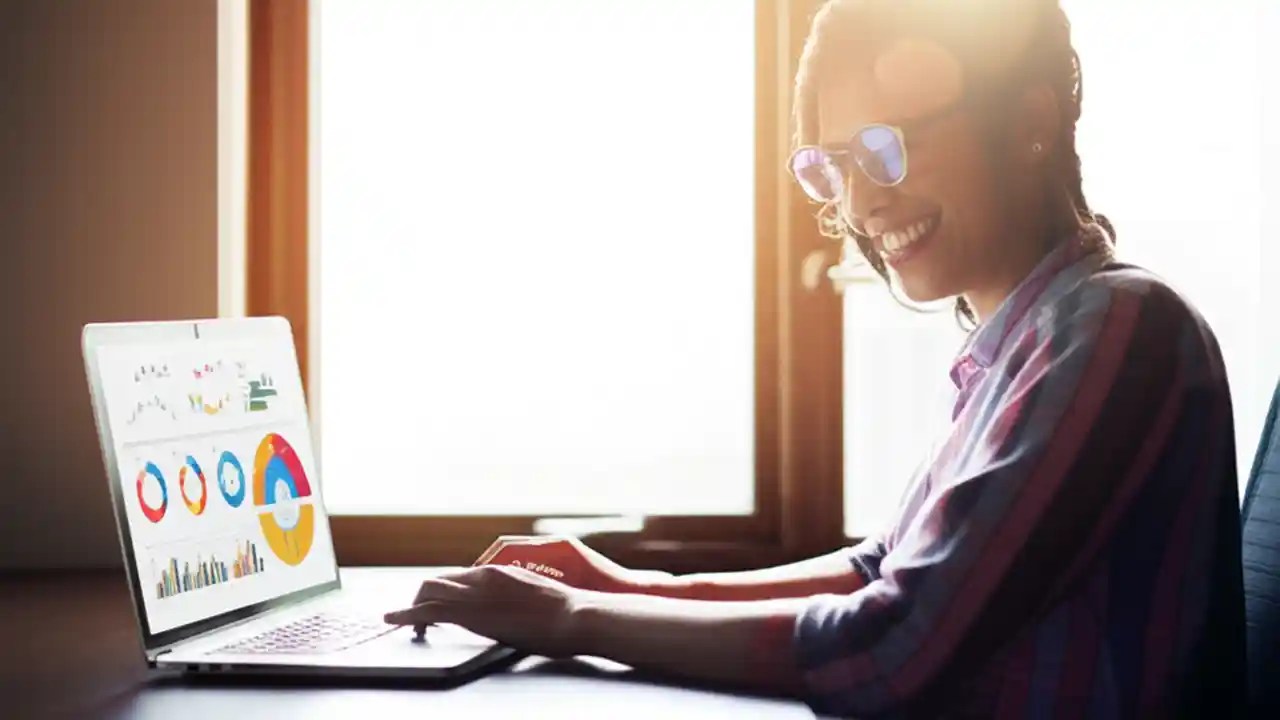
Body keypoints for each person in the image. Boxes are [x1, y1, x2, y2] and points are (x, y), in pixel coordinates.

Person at [384, 0, 1248, 715]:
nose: (862, 203)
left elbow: (892, 642)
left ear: (1026, 120)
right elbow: (878, 569)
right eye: (834, 166)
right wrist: (631, 585)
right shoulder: (1027, 341)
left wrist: (576, 618)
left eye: (885, 148)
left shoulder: (1116, 326)